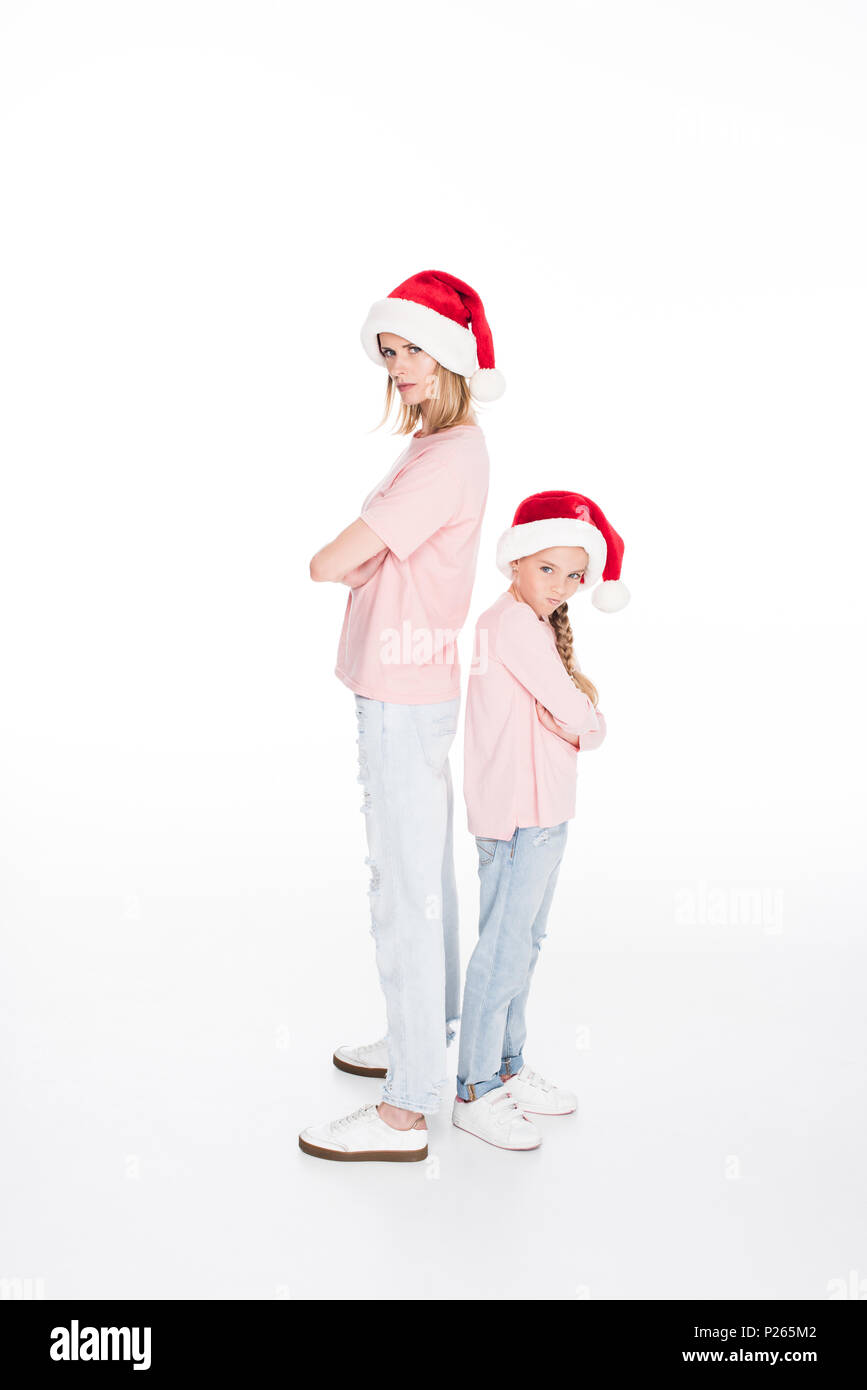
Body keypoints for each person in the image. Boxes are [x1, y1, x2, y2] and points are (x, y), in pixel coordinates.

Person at [299, 270, 505, 1162]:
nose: (398, 366)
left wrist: (352, 557)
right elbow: (356, 560)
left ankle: (409, 1104)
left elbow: (331, 561)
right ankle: (423, 1044)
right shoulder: (437, 448)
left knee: (404, 892)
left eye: (413, 348)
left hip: (401, 690)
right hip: (404, 687)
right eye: (388, 352)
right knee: (418, 880)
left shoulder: (449, 456)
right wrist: (359, 559)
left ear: (451, 353)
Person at [453, 491, 629, 1150]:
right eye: (548, 568)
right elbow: (568, 708)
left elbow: (563, 713)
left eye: (575, 574)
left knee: (521, 945)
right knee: (501, 950)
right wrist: (591, 726)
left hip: (544, 811)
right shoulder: (507, 625)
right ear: (515, 562)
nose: (562, 585)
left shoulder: (528, 625)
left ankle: (506, 1064)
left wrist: (577, 724)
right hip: (515, 815)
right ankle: (474, 1087)